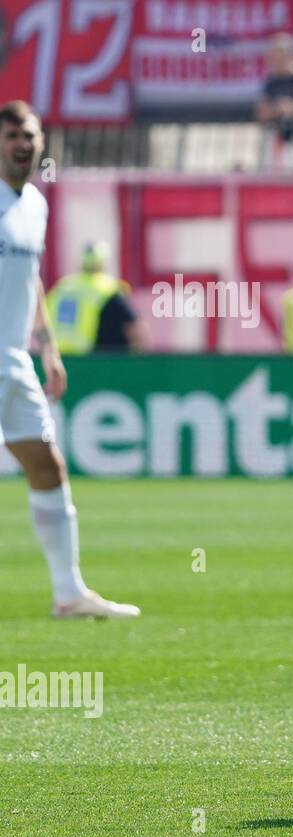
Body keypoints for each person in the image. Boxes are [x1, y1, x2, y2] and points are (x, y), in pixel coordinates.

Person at [0, 101, 139, 618]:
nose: (23, 144)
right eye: (13, 134)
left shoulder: (34, 204)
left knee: (46, 464)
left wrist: (48, 344)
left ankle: (69, 593)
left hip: (14, 359)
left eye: (30, 135)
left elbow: (30, 277)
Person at [45, 240, 142, 354]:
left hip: (58, 359)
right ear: (102, 264)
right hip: (93, 364)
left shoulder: (60, 289)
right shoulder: (107, 289)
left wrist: (46, 351)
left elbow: (41, 322)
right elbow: (136, 330)